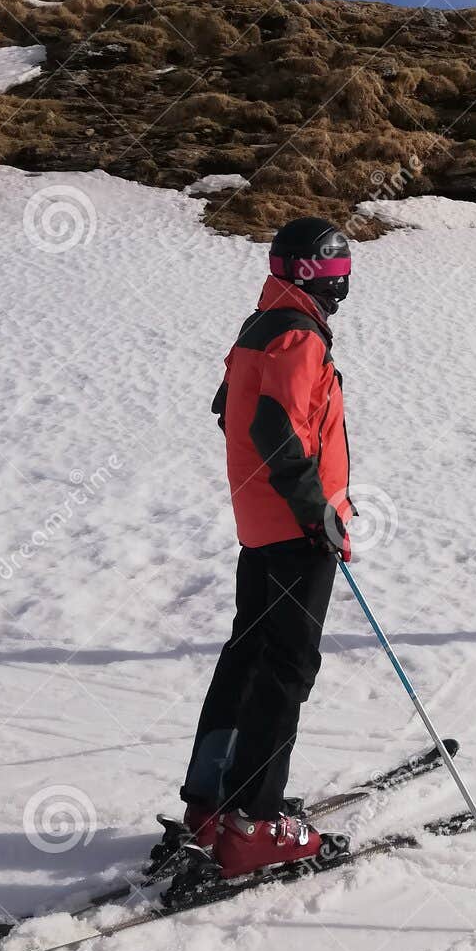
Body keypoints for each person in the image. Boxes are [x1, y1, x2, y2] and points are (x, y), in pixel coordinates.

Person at [180, 217, 354, 878]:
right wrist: (317, 515)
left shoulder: (261, 324)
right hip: (292, 531)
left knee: (248, 655)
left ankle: (212, 799)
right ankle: (253, 822)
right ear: (319, 275)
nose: (342, 283)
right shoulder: (296, 334)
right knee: (286, 667)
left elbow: (231, 407)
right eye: (337, 271)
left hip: (260, 525)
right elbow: (276, 427)